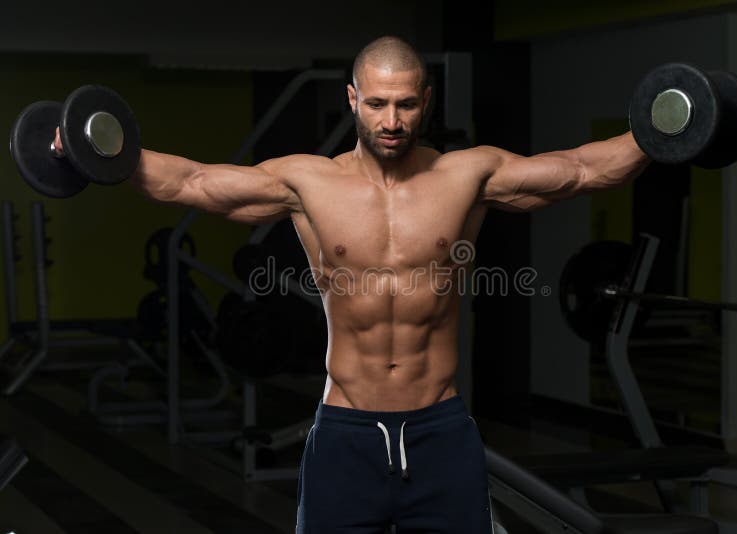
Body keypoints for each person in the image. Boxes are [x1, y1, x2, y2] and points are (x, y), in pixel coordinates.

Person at [54, 35, 650, 534]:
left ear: (428, 101)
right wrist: (103, 154)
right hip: (345, 433)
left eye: (407, 105)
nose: (392, 121)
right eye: (377, 104)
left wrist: (661, 128)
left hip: (440, 430)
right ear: (352, 100)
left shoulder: (468, 174)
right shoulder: (308, 183)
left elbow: (579, 169)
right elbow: (194, 183)